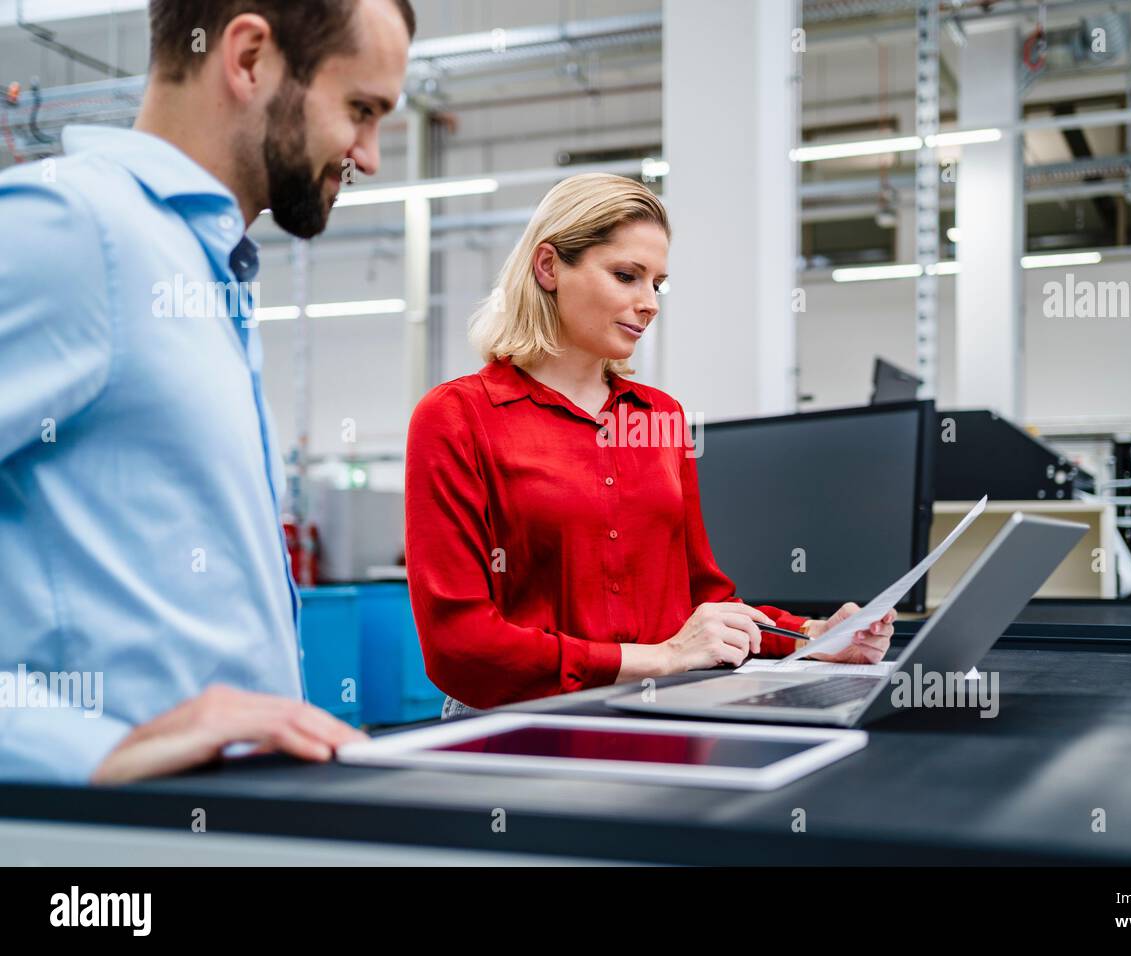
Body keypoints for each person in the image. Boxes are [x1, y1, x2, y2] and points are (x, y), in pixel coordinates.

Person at [0, 0, 417, 784]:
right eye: (360, 109)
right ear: (250, 58)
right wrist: (77, 747)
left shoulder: (201, 266)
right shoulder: (75, 235)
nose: (371, 153)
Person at [405, 173, 897, 718]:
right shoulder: (457, 417)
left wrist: (817, 637)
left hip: (660, 709)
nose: (649, 303)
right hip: (522, 721)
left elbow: (705, 602)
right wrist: (657, 659)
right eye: (626, 276)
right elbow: (459, 644)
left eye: (656, 284)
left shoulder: (660, 417)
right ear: (548, 267)